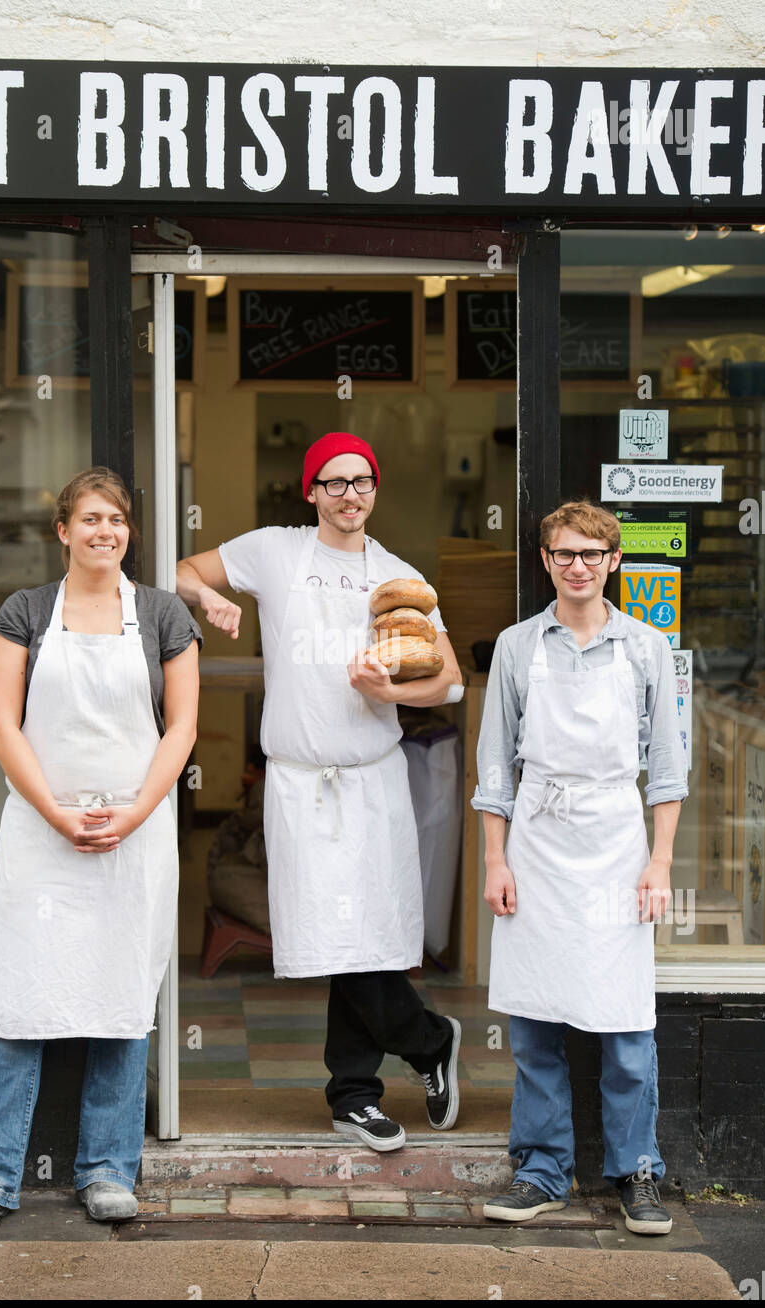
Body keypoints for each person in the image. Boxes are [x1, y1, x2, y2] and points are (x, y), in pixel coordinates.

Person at [176, 431, 463, 1151]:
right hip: (300, 782)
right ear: (310, 492)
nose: (348, 496)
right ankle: (429, 1042)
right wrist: (213, 604)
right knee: (331, 940)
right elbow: (181, 569)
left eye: (360, 481)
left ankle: (354, 1095)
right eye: (332, 483)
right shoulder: (274, 550)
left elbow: (449, 682)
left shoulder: (399, 579)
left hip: (372, 778)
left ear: (375, 488)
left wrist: (390, 685)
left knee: (365, 940)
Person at [0, 469, 201, 1231]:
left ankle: (107, 1170)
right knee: (20, 1000)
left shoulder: (161, 613)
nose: (104, 532)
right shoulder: (25, 611)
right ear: (63, 531)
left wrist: (134, 813)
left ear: (128, 531)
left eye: (116, 520)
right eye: (89, 519)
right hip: (41, 829)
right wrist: (57, 813)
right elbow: (1, 727)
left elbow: (180, 728)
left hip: (136, 831)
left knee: (121, 1001)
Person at [473, 500, 688, 1235]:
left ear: (612, 562)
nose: (576, 567)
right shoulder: (515, 646)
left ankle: (636, 1172)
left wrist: (657, 864)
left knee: (624, 1019)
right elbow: (494, 765)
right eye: (563, 554)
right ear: (544, 560)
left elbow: (665, 766)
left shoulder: (644, 647)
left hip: (615, 843)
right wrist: (494, 861)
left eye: (590, 555)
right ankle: (540, 1170)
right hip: (535, 841)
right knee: (533, 1021)